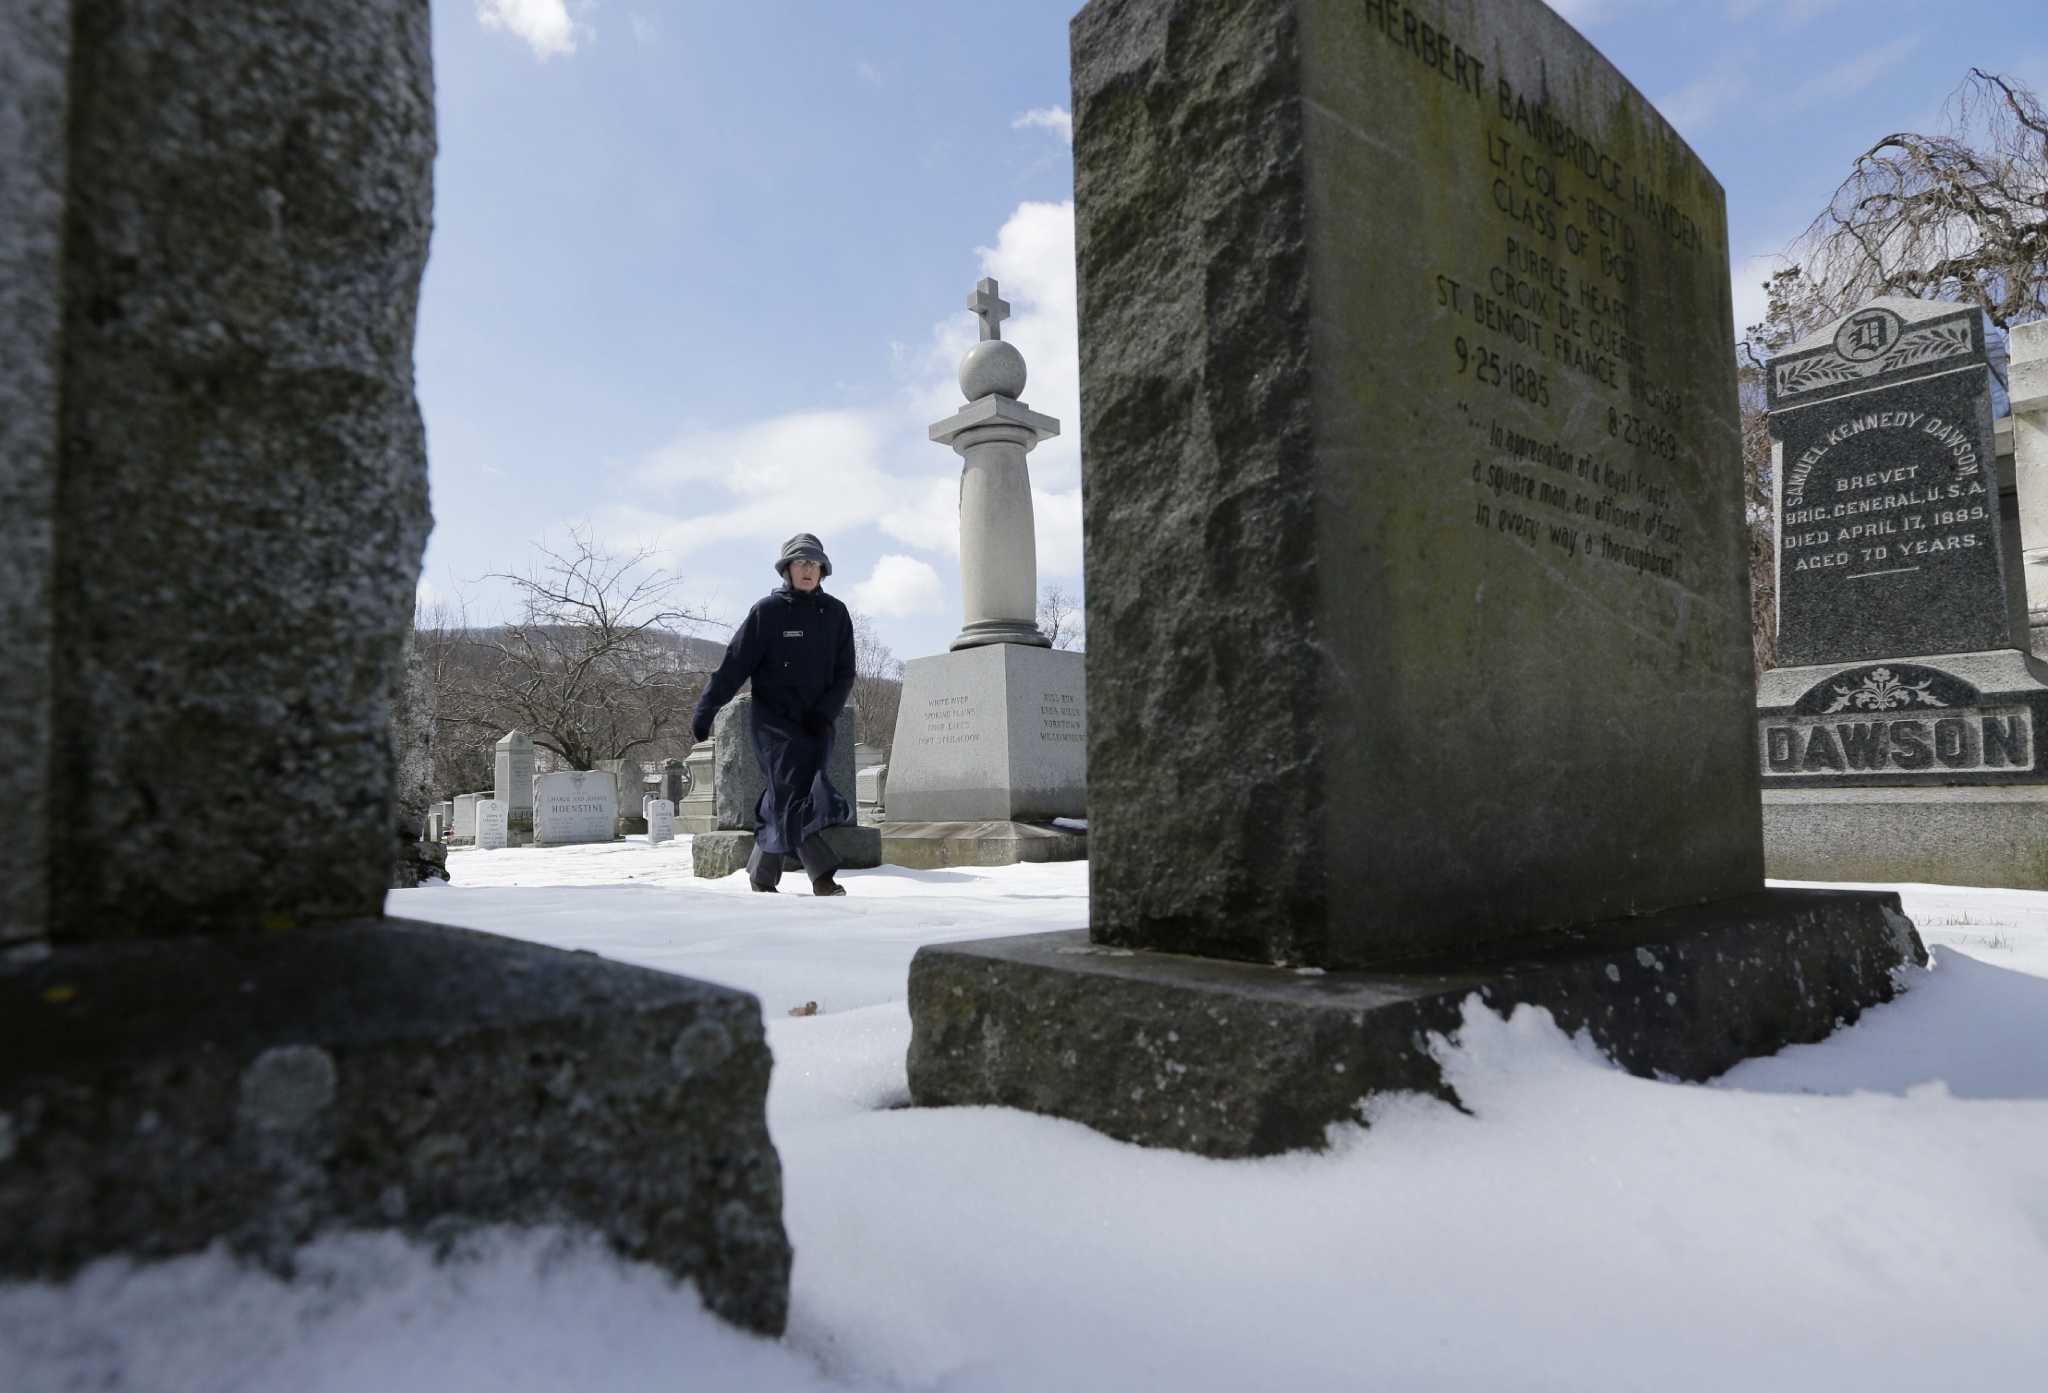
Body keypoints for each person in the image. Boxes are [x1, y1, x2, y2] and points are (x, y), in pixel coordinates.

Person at [691, 532, 857, 895]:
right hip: (774, 725)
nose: (808, 569)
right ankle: (822, 875)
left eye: (814, 564)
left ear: (823, 570)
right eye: (800, 563)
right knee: (794, 796)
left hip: (817, 723)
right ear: (787, 569)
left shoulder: (836, 613)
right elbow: (734, 665)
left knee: (785, 796)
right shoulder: (766, 612)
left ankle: (761, 875)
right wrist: (705, 710)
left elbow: (846, 673)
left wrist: (825, 713)